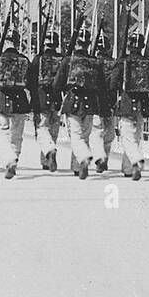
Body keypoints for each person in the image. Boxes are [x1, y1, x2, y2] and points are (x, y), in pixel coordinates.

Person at [0, 27, 38, 180]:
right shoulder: (25, 60)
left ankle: (9, 158)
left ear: (4, 42)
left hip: (2, 102)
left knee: (4, 134)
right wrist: (33, 103)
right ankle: (13, 160)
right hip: (20, 103)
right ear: (18, 43)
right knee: (17, 135)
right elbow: (33, 85)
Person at [108, 29, 149, 181]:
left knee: (127, 138)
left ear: (128, 46)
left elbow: (113, 85)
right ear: (142, 46)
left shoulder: (123, 62)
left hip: (126, 103)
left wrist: (110, 101)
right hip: (143, 105)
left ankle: (135, 161)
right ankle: (128, 168)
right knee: (135, 137)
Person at [52, 22, 104, 180]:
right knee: (85, 135)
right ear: (88, 43)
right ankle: (77, 166)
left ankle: (81, 160)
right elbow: (102, 86)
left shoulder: (68, 61)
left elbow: (56, 84)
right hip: (90, 104)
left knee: (75, 135)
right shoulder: (95, 61)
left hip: (72, 101)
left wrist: (58, 100)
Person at [26, 23, 63, 172]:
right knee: (53, 130)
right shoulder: (62, 58)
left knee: (42, 129)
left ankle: (48, 153)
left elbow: (30, 81)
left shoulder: (38, 59)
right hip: (57, 99)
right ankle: (47, 159)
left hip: (40, 99)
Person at [91, 27, 117, 173]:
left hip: (96, 103)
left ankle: (100, 158)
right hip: (110, 103)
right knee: (109, 133)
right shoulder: (113, 64)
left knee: (97, 132)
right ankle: (104, 158)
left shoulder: (92, 63)